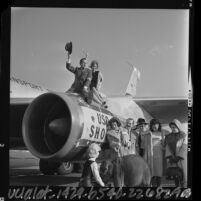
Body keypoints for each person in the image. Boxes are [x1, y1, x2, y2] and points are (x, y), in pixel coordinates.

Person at [105, 117, 130, 187]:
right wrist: (115, 145)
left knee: (124, 171)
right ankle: (118, 187)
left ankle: (124, 185)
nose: (113, 125)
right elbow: (110, 143)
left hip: (124, 153)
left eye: (115, 124)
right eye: (112, 124)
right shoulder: (109, 133)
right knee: (117, 172)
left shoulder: (124, 131)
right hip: (115, 154)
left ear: (117, 124)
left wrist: (128, 143)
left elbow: (128, 140)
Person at [164, 119, 187, 187]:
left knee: (184, 175)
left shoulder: (184, 135)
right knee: (174, 175)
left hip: (181, 159)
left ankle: (184, 189)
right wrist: (170, 157)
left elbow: (184, 146)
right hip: (172, 159)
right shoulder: (168, 137)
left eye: (174, 127)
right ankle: (176, 189)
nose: (172, 129)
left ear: (178, 127)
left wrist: (179, 157)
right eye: (171, 127)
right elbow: (167, 148)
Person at [149, 118, 165, 187]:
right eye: (153, 124)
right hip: (150, 154)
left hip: (159, 154)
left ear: (158, 125)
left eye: (156, 124)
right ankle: (152, 186)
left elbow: (164, 144)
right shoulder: (149, 133)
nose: (154, 126)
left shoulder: (162, 133)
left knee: (158, 171)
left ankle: (158, 187)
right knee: (151, 171)